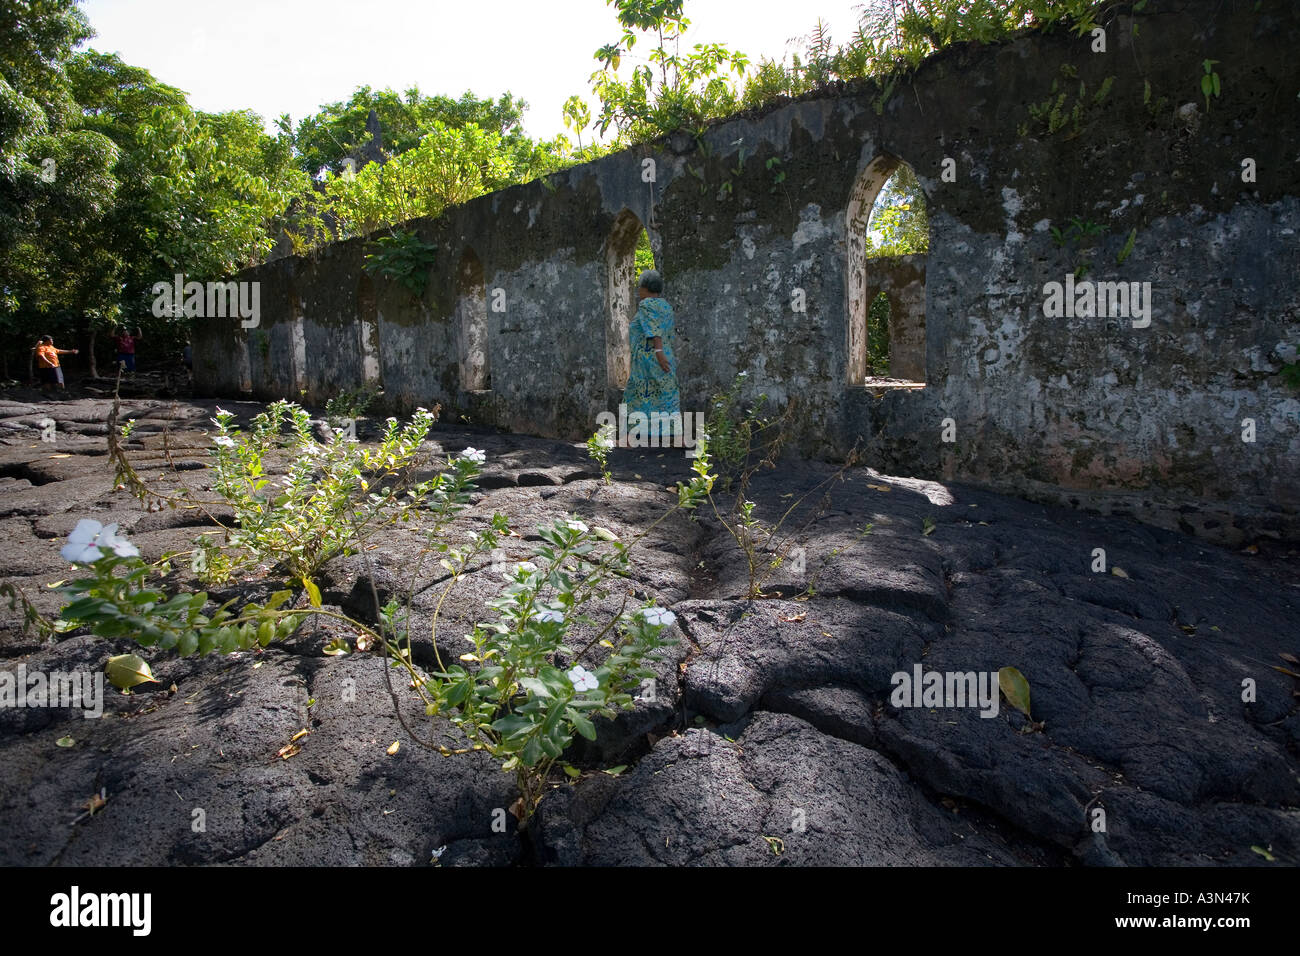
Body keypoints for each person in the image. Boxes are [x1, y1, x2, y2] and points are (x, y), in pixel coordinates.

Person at [622, 269, 681, 447]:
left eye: (639, 286)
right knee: (666, 394)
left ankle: (630, 437)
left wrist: (658, 353)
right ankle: (673, 436)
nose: (638, 290)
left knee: (634, 395)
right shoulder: (665, 305)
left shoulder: (647, 304)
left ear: (645, 287)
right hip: (665, 356)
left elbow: (654, 331)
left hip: (650, 360)